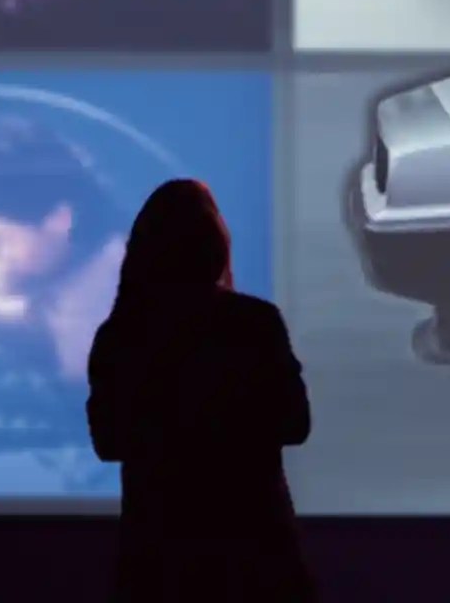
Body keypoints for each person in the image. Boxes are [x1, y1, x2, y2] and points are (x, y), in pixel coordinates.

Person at [85, 179, 314, 602]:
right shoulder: (255, 323)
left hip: (159, 559)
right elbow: (295, 424)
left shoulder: (120, 335)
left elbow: (108, 441)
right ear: (215, 247)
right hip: (256, 555)